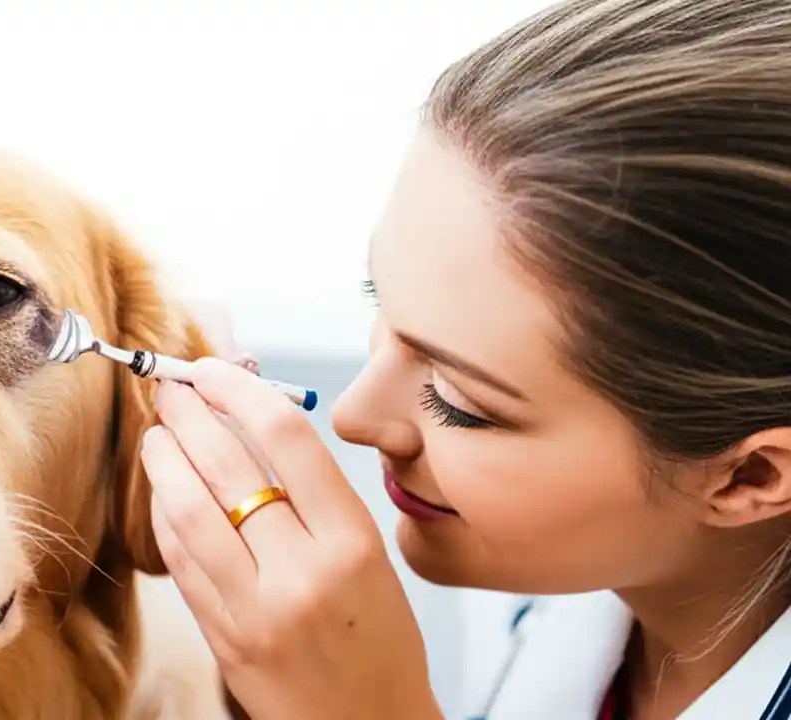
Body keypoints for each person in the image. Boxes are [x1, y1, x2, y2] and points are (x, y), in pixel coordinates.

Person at [139, 1, 791, 718]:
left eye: (458, 401)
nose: (352, 417)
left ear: (750, 476)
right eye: (378, 301)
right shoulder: (553, 582)